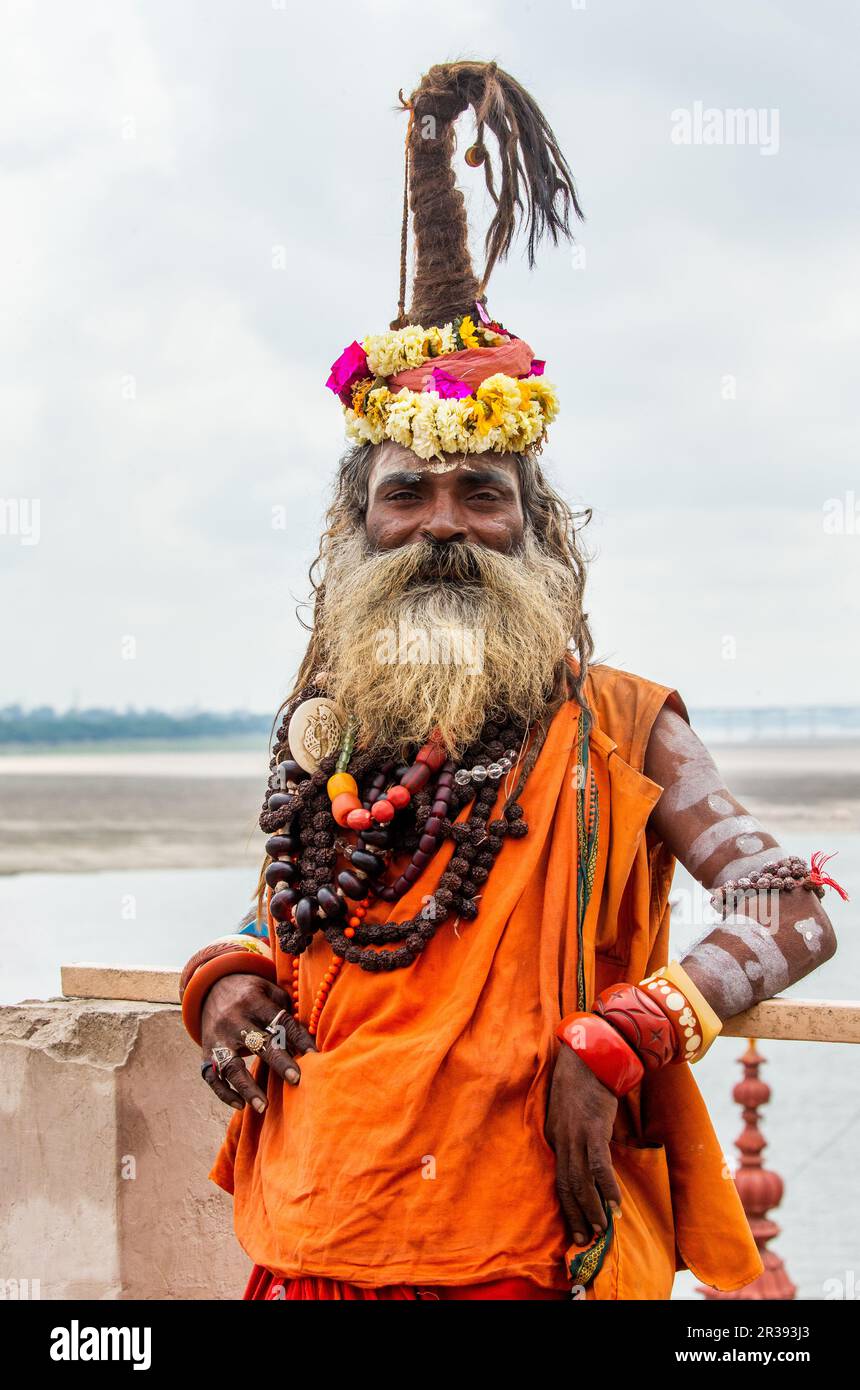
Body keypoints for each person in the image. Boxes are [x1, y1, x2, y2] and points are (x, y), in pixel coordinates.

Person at [179, 61, 845, 1301]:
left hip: (532, 1257)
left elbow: (792, 908)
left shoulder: (624, 726)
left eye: (481, 494)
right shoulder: (337, 730)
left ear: (536, 531)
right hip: (312, 1243)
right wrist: (224, 977)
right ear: (357, 530)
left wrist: (627, 1032)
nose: (443, 524)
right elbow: (294, 918)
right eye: (407, 495)